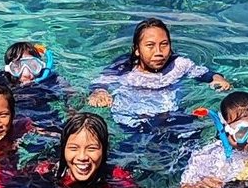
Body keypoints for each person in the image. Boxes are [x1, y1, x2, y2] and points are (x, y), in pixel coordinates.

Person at [87, 17, 231, 125]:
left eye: (164, 45)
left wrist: (218, 78)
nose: (158, 52)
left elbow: (204, 74)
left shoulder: (179, 65)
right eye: (150, 45)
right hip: (132, 121)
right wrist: (99, 92)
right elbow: (99, 84)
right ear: (137, 50)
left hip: (172, 116)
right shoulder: (123, 68)